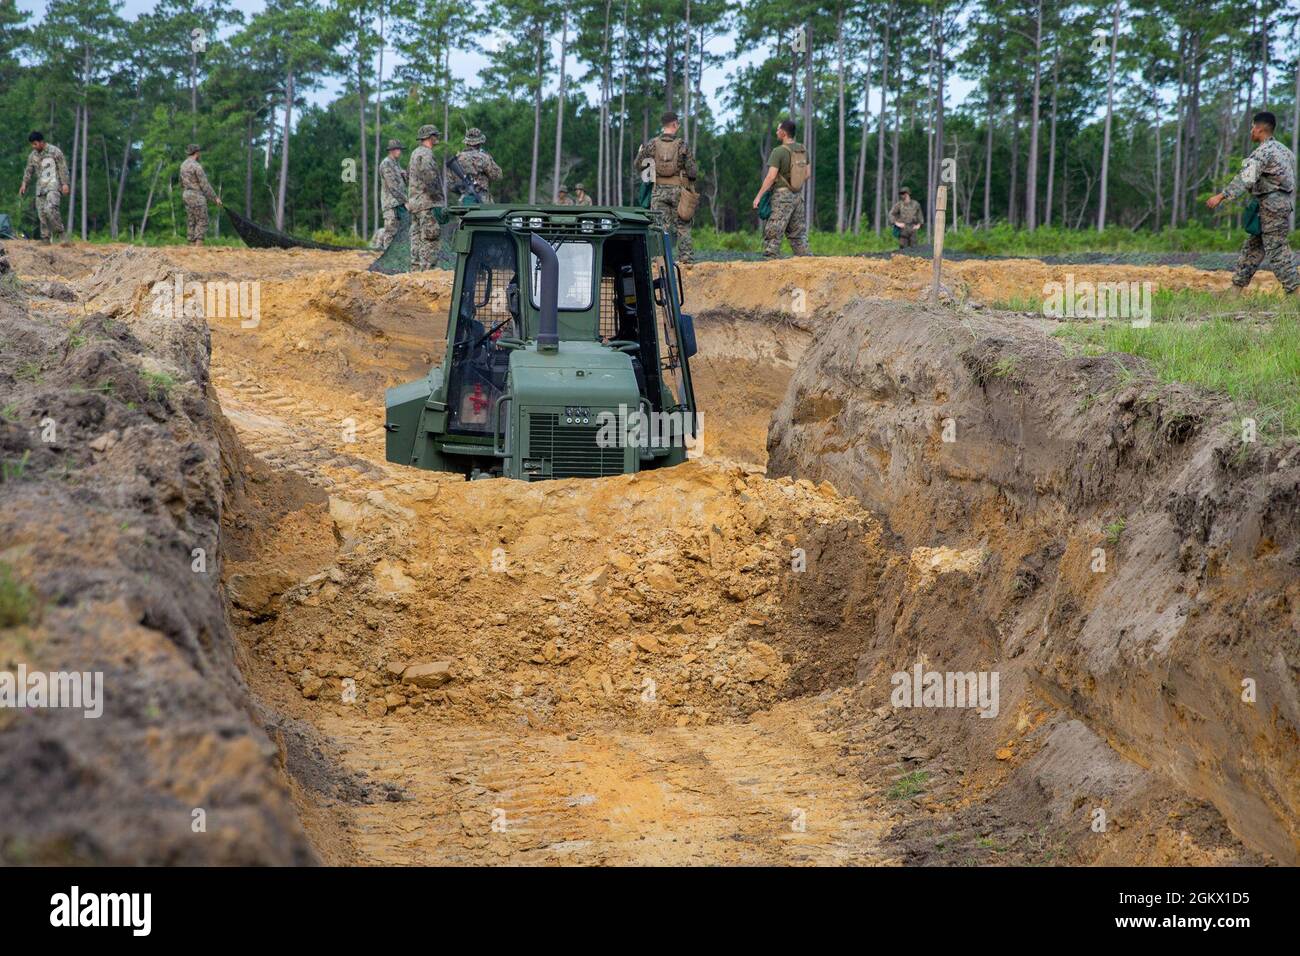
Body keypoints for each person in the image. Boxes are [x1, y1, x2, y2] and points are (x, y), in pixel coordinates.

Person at [1207, 110, 1300, 296]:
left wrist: (1221, 196)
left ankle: (1296, 292)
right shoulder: (1286, 152)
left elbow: (1245, 178)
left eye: (1252, 128)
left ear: (1258, 129)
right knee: (1253, 248)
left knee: (1277, 251)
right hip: (1279, 204)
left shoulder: (1262, 152)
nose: (1251, 132)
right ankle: (1234, 291)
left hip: (1271, 206)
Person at [636, 110, 698, 263]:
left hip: (658, 191)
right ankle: (685, 259)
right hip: (679, 191)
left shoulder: (652, 144)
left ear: (663, 125)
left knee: (659, 226)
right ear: (675, 124)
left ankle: (658, 261)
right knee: (683, 224)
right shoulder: (682, 145)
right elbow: (693, 171)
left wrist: (640, 154)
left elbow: (639, 166)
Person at [751, 118, 810, 259]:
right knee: (798, 236)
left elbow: (771, 177)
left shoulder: (778, 151)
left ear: (783, 133)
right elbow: (807, 174)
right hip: (797, 197)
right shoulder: (802, 149)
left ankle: (770, 269)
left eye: (778, 130)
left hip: (781, 198)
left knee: (773, 235)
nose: (776, 132)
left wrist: (758, 196)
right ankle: (808, 265)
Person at [19, 131, 69, 243]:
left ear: (42, 142)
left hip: (54, 184)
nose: (33, 146)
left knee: (50, 209)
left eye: (35, 144)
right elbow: (29, 171)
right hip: (40, 187)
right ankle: (45, 239)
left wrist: (65, 184)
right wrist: (24, 184)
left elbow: (63, 168)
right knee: (42, 213)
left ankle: (62, 235)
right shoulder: (32, 156)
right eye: (32, 144)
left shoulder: (55, 151)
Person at [407, 124, 445, 271]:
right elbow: (431, 179)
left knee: (416, 237)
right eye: (436, 135)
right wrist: (439, 200)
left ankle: (415, 271)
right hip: (427, 203)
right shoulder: (427, 154)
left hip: (415, 204)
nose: (437, 138)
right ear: (430, 137)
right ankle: (428, 271)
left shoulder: (415, 153)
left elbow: (409, 176)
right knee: (430, 238)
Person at [179, 144, 222, 245]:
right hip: (196, 195)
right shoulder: (196, 166)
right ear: (197, 153)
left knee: (191, 221)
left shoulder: (182, 165)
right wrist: (215, 198)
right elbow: (205, 185)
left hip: (186, 195)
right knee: (202, 221)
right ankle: (198, 251)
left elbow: (181, 182)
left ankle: (191, 250)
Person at [455, 128, 502, 203]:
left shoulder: (458, 158)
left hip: (464, 200)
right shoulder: (484, 157)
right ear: (480, 143)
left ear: (466, 142)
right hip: (481, 199)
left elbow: (451, 183)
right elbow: (497, 176)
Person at [377, 138, 408, 250]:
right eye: (398, 149)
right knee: (390, 232)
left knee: (398, 231)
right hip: (391, 204)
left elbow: (402, 181)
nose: (400, 151)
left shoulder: (396, 164)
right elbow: (393, 187)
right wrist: (406, 200)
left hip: (398, 203)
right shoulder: (386, 164)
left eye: (400, 149)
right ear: (392, 150)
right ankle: (386, 257)